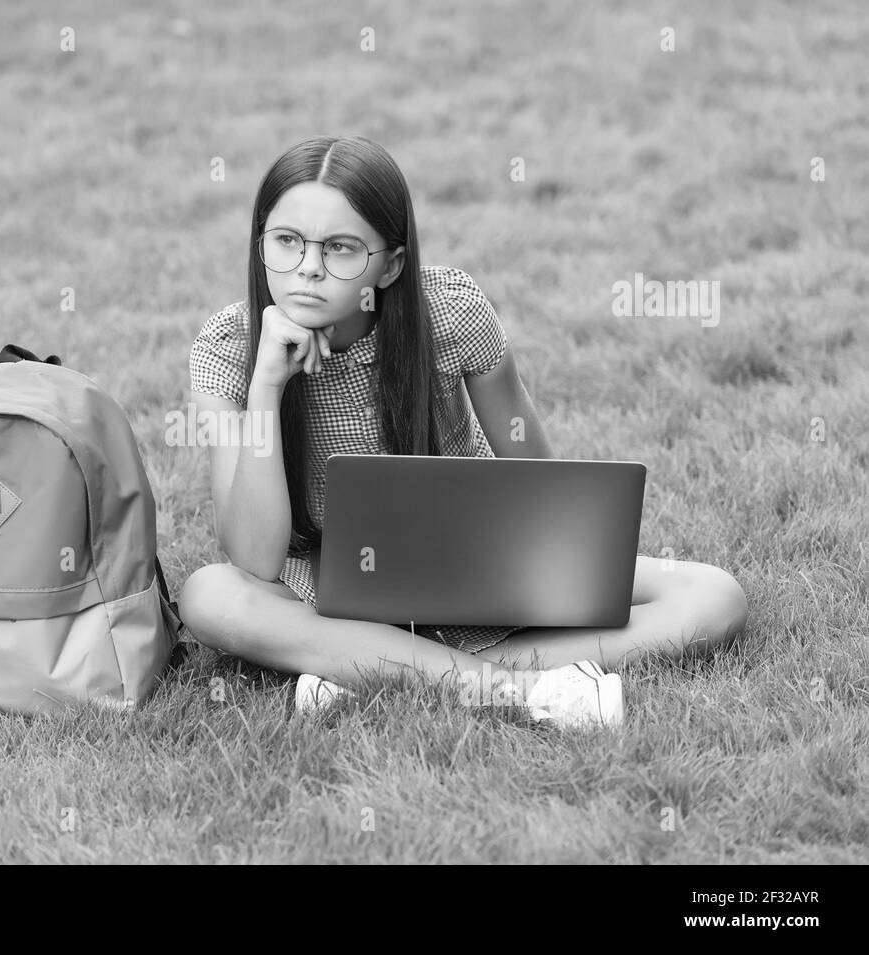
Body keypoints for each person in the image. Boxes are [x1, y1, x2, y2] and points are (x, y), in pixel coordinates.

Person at [176, 135, 748, 729]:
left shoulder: (449, 312)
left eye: (342, 248)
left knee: (711, 596)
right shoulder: (225, 350)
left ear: (391, 264)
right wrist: (267, 388)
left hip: (481, 562)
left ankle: (370, 672)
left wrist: (531, 567)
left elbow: (540, 482)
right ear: (260, 241)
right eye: (287, 242)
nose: (310, 268)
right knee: (210, 596)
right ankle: (521, 687)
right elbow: (254, 558)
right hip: (327, 587)